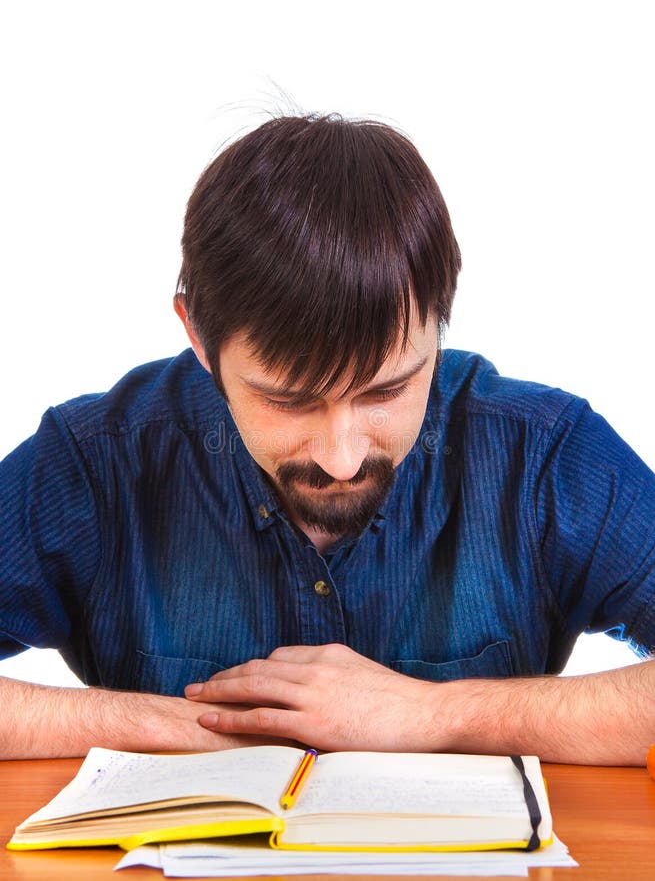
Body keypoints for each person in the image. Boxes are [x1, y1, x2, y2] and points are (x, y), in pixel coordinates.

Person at [1, 114, 653, 765]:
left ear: (438, 325)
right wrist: (164, 726)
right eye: (286, 400)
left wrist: (427, 714)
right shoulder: (94, 462)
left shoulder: (544, 454)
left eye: (386, 392)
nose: (340, 458)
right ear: (199, 338)